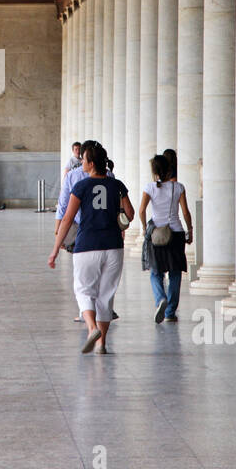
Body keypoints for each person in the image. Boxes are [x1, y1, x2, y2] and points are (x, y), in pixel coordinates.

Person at [48, 142, 134, 354]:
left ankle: (92, 328)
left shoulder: (81, 186)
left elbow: (68, 219)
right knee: (106, 295)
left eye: (84, 160)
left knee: (83, 289)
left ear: (91, 163)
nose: (81, 163)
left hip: (87, 245)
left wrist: (55, 249)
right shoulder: (117, 185)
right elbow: (130, 215)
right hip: (113, 246)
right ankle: (101, 343)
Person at [57, 140, 119, 323]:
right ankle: (103, 319)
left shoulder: (75, 179)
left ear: (89, 160)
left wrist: (57, 235)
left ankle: (88, 317)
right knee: (104, 280)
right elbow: (121, 208)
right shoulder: (111, 177)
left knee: (84, 278)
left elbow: (64, 210)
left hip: (83, 232)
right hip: (108, 232)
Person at [139, 150, 192, 323]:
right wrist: (189, 230)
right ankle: (170, 312)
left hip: (157, 234)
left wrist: (143, 227)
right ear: (170, 169)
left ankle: (160, 298)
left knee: (156, 271)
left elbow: (141, 211)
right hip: (176, 233)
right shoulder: (179, 187)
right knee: (175, 273)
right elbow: (185, 212)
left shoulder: (150, 188)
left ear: (154, 172)